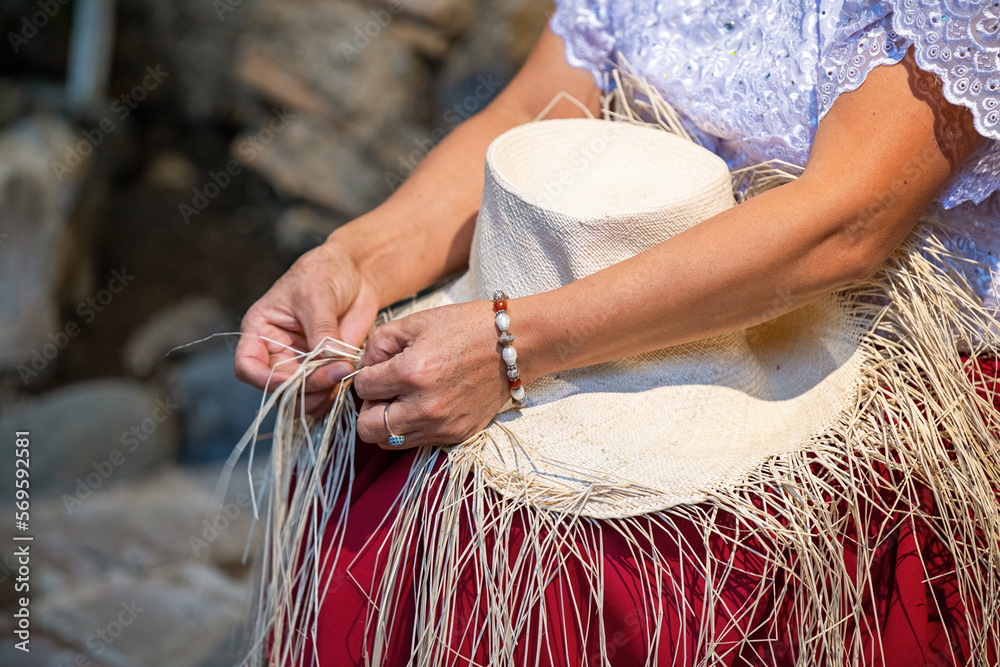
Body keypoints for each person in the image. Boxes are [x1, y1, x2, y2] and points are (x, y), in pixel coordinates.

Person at [234, 1, 1000, 664]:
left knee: (612, 584)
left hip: (853, 350)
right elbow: (534, 111)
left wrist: (511, 345)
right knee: (392, 498)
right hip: (582, 309)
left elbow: (845, 221)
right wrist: (357, 264)